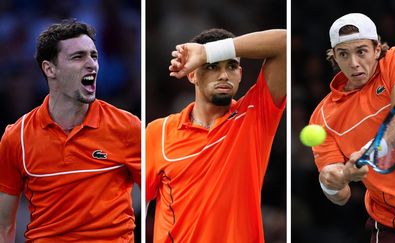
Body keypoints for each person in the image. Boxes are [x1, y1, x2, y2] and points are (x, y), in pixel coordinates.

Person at [0, 19, 141, 242]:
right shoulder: (16, 137)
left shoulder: (127, 127)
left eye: (94, 56)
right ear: (50, 69)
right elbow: (4, 227)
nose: (92, 64)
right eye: (78, 57)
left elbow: (164, 195)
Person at [146, 28, 286, 242]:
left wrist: (205, 53)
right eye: (212, 66)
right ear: (192, 74)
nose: (224, 75)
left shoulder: (255, 115)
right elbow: (134, 203)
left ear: (240, 73)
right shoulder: (159, 131)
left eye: (231, 66)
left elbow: (284, 42)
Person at [309, 13, 395, 242]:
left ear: (377, 49)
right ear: (334, 57)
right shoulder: (322, 117)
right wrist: (332, 181)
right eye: (344, 54)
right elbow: (340, 195)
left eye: (361, 51)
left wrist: (373, 151)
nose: (354, 63)